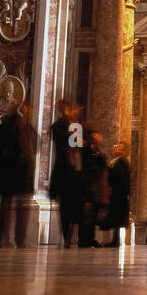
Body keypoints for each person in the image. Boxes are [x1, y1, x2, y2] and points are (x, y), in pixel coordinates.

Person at [0, 102, 38, 248]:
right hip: (9, 170)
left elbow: (37, 143)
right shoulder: (10, 125)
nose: (30, 112)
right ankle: (4, 239)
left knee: (20, 207)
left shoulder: (27, 127)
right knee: (7, 207)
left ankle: (19, 239)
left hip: (22, 172)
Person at [48, 100, 83, 247]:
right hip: (63, 170)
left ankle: (70, 235)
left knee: (73, 204)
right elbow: (62, 138)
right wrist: (71, 129)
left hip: (74, 170)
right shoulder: (57, 126)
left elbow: (77, 144)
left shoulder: (75, 125)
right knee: (64, 205)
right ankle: (65, 236)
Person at [78, 129, 109, 249]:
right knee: (86, 215)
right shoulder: (87, 151)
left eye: (99, 140)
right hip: (88, 185)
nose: (98, 141)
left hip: (97, 186)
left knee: (93, 215)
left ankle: (90, 238)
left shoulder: (99, 152)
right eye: (96, 139)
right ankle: (83, 240)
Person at [102, 141, 132, 246]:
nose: (116, 149)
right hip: (116, 192)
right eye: (116, 147)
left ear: (124, 151)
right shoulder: (116, 161)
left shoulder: (122, 162)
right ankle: (115, 240)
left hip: (118, 193)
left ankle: (115, 241)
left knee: (117, 217)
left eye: (120, 148)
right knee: (116, 217)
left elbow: (121, 178)